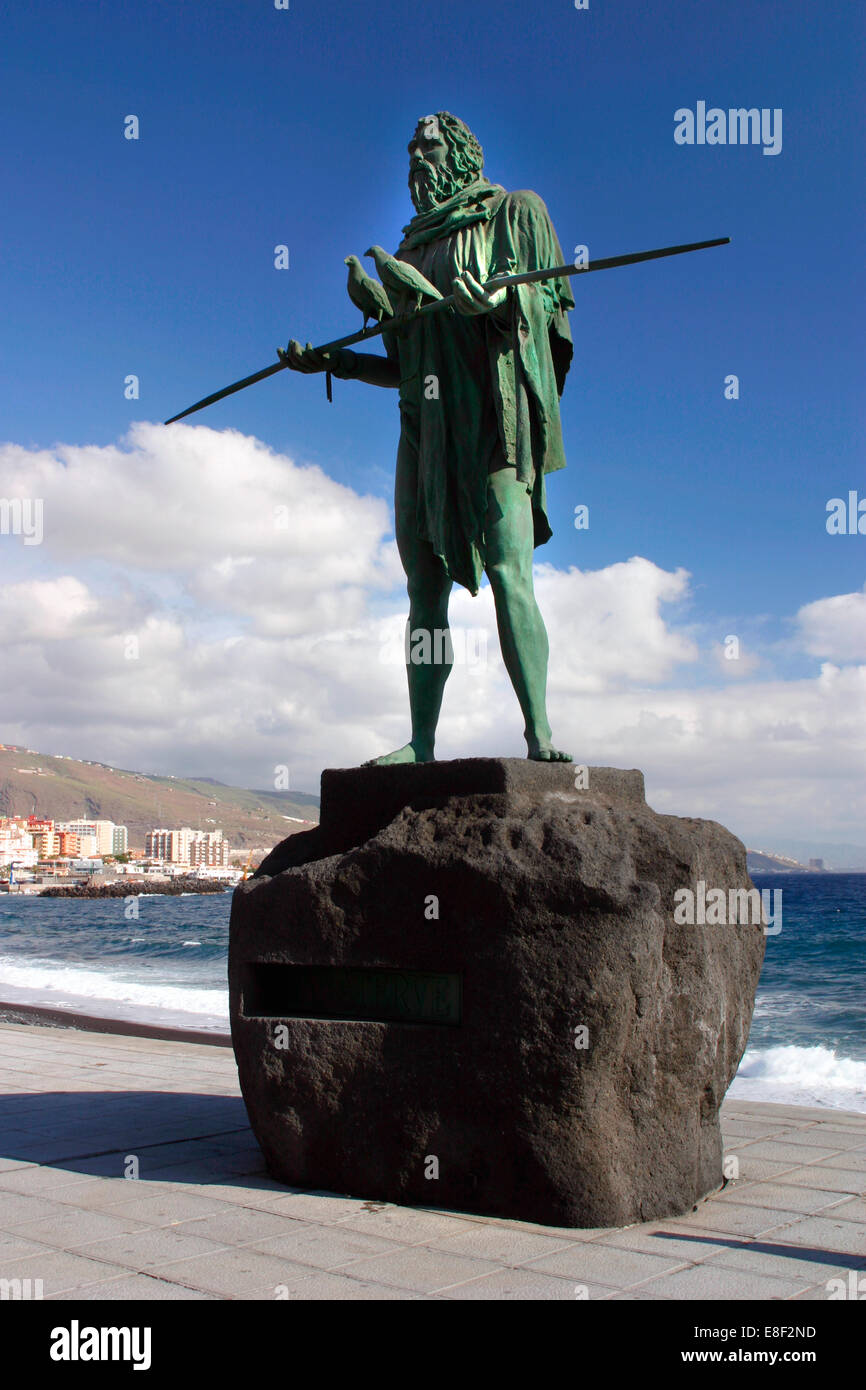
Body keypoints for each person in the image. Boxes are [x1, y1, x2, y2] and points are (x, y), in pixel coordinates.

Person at [287, 112, 574, 764]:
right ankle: (421, 742)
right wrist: (340, 364)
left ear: (463, 153)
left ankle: (540, 735)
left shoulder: (515, 213)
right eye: (411, 147)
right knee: (423, 589)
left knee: (510, 571)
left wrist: (501, 306)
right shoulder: (410, 252)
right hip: (425, 433)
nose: (417, 157)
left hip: (495, 420)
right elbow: (406, 366)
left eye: (430, 145)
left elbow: (550, 312)